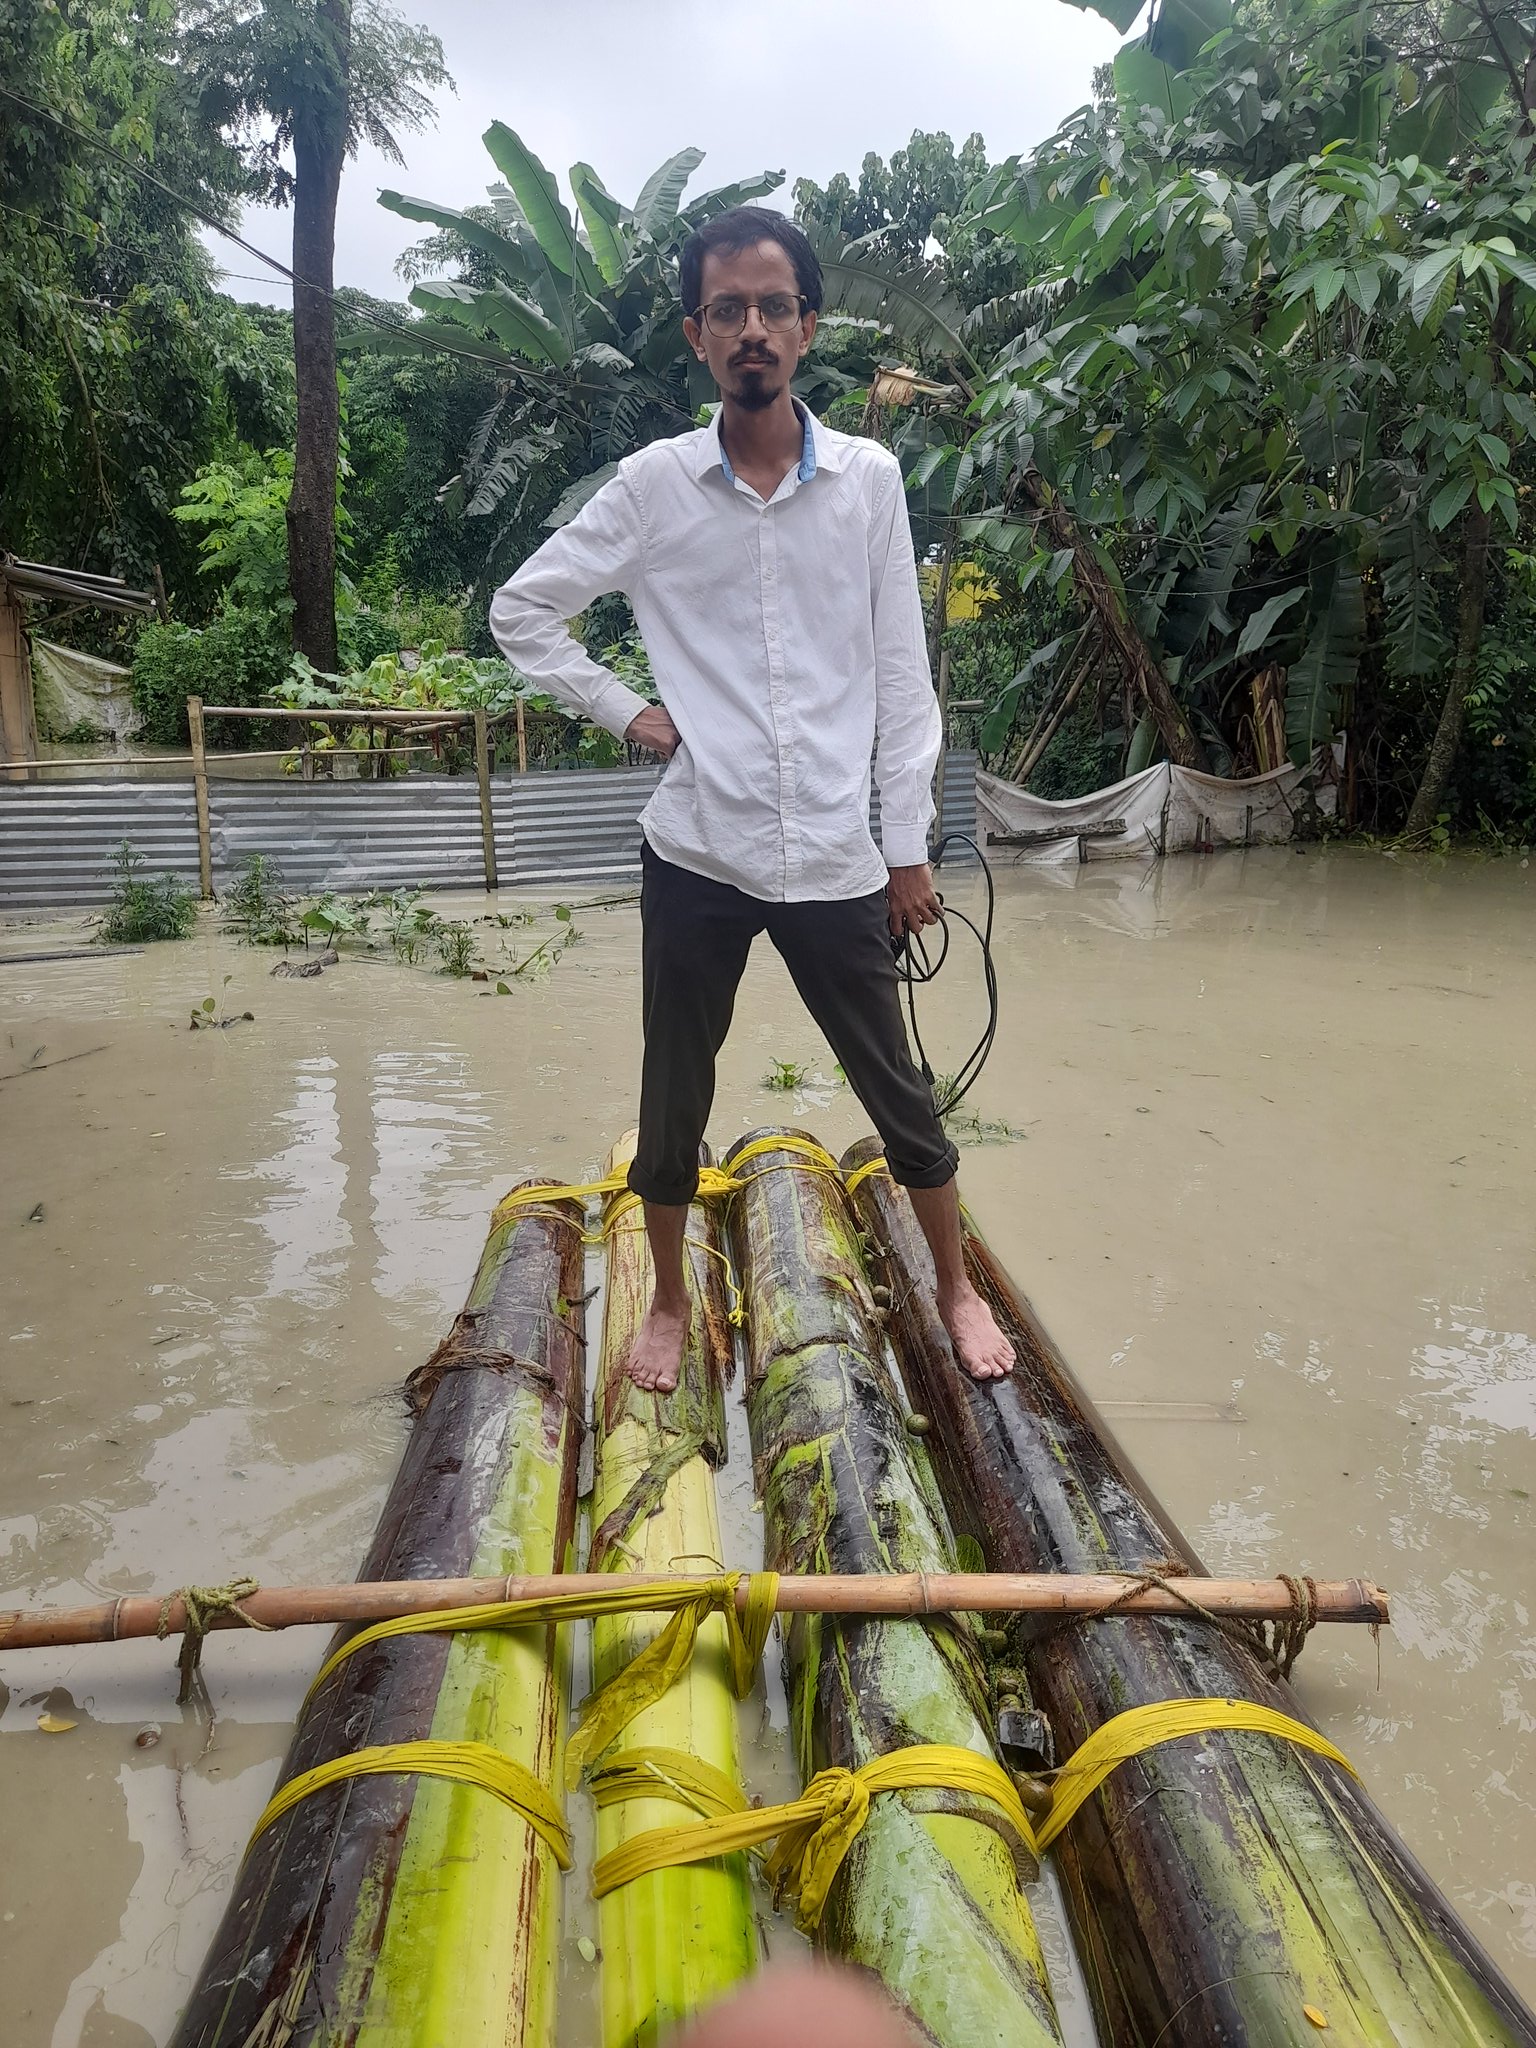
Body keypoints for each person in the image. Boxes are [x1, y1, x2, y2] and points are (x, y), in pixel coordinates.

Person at [491, 206, 1014, 1391]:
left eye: (774, 306)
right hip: (701, 849)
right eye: (727, 309)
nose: (753, 330)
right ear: (696, 335)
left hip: (837, 850)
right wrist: (629, 711)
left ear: (808, 326)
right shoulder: (652, 488)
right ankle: (671, 1302)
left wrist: (906, 848)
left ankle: (957, 1286)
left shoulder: (870, 482)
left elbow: (900, 677)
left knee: (900, 1088)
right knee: (672, 1093)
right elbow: (522, 611)